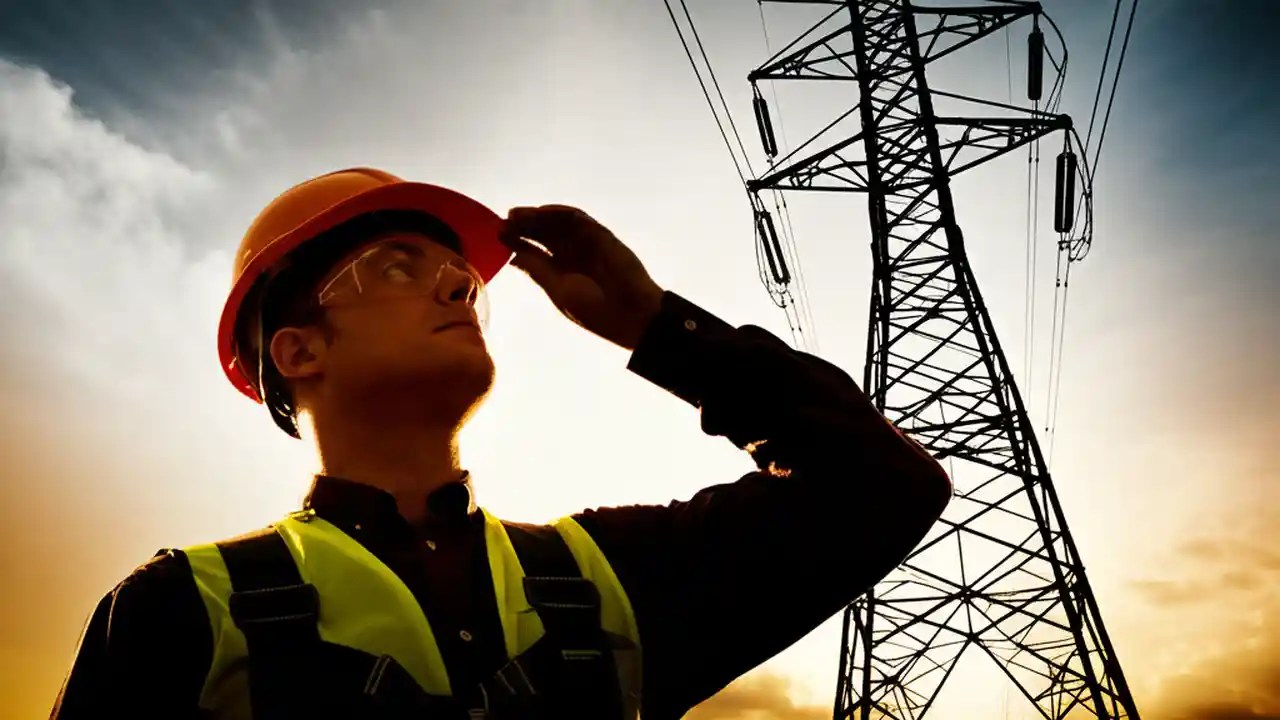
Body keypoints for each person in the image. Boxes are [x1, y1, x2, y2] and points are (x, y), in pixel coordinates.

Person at [50, 167, 951, 719]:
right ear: (297, 351)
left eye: (459, 279)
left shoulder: (606, 577)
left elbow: (883, 484)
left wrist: (654, 326)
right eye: (400, 267)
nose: (454, 289)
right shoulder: (180, 610)